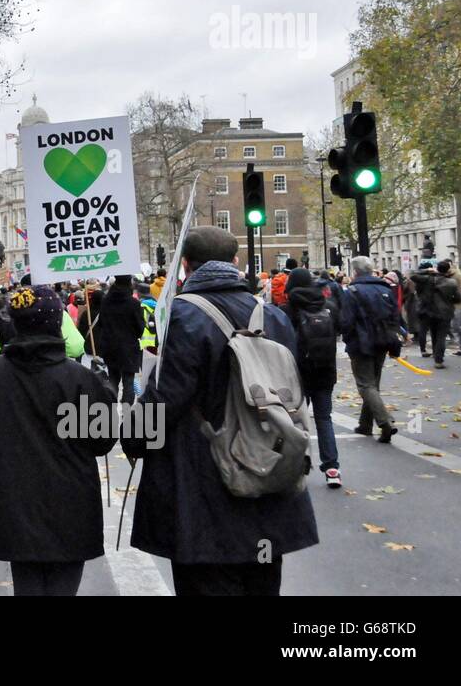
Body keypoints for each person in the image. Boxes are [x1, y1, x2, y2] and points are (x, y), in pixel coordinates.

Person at [123, 226, 318, 596]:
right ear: (234, 262)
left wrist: (135, 437)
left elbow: (168, 398)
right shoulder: (272, 316)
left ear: (186, 265)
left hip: (204, 484)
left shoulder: (181, 315)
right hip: (267, 473)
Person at [0, 285, 116, 595]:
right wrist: (104, 391)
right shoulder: (77, 377)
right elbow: (101, 441)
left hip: (14, 502)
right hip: (70, 503)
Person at [282, 268, 342, 488]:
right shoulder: (329, 307)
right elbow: (341, 328)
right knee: (324, 419)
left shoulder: (287, 310)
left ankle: (294, 467)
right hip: (325, 370)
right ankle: (332, 467)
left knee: (294, 421)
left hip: (296, 373)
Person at [341, 255, 403, 440]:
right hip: (383, 340)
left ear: (356, 272)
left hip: (361, 342)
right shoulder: (384, 288)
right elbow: (395, 316)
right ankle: (365, 424)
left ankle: (385, 421)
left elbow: (346, 321)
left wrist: (346, 336)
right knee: (373, 383)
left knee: (365, 384)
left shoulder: (352, 291)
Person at [81, 276, 145, 404]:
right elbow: (140, 329)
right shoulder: (134, 304)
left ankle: (111, 410)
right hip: (128, 348)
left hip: (110, 347)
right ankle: (126, 414)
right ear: (129, 284)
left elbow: (101, 324)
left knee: (113, 380)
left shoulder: (105, 301)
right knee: (128, 382)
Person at [410, 260, 461, 370]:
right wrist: (450, 301)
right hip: (445, 312)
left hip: (428, 310)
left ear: (437, 268)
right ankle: (438, 359)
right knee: (441, 336)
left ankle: (434, 352)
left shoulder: (427, 279)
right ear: (448, 270)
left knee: (433, 333)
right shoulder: (452, 282)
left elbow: (412, 274)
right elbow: (459, 298)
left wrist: (426, 270)